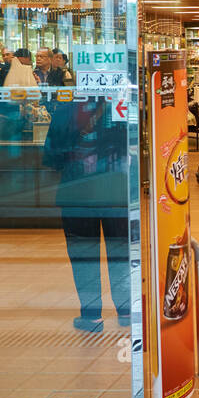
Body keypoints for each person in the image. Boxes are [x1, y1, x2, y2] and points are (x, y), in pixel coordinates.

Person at [43, 96, 131, 332]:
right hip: (116, 193)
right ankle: (125, 310)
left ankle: (91, 315)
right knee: (120, 252)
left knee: (84, 256)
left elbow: (51, 157)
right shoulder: (120, 108)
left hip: (77, 194)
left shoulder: (64, 111)